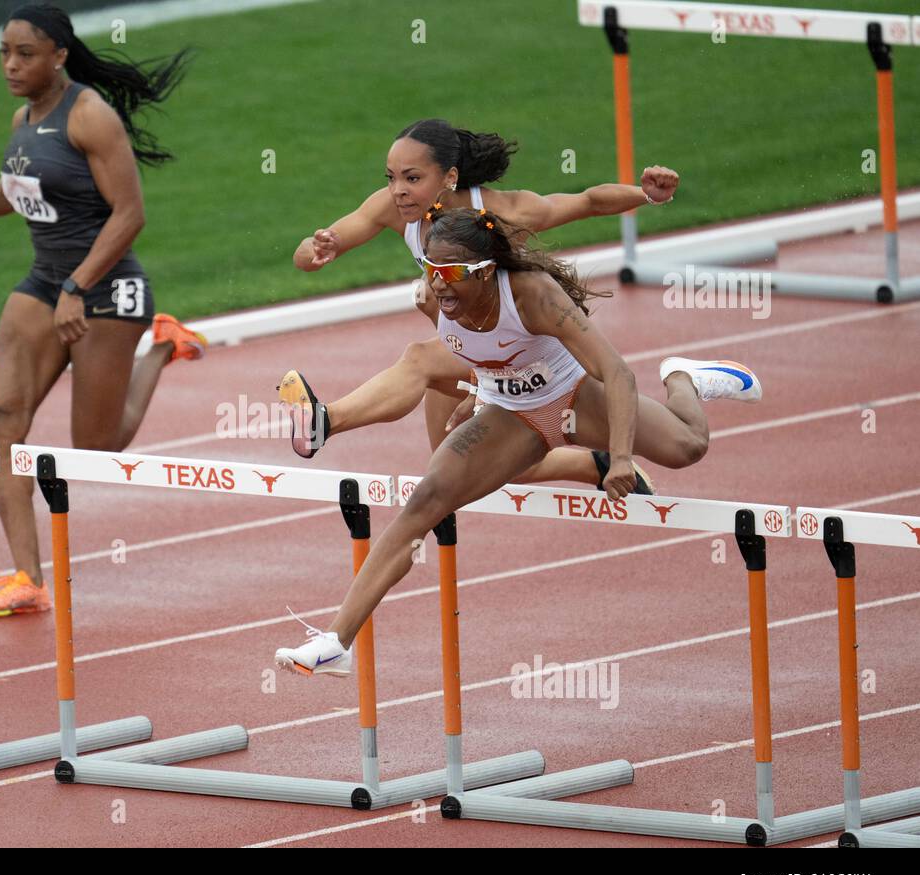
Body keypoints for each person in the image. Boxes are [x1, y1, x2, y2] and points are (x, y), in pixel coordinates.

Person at [274, 207, 761, 676]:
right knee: (426, 501)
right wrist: (478, 394)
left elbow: (617, 372)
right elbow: (479, 352)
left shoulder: (533, 295)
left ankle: (683, 378)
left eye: (451, 272)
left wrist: (621, 457)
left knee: (688, 447)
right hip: (513, 416)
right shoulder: (435, 298)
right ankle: (337, 642)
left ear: (486, 271)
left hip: (574, 396)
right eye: (430, 268)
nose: (438, 282)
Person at [0, 3, 203, 618]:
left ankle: (162, 345)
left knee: (95, 449)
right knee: (1, 420)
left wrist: (79, 287)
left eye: (24, 54)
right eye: (4, 53)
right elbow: (21, 184)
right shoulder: (24, 116)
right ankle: (27, 578)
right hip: (45, 282)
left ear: (58, 55)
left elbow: (130, 214)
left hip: (106, 288)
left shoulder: (90, 116)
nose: (10, 64)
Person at [280, 118, 679, 493]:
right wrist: (317, 249)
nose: (398, 190)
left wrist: (646, 194)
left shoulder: (501, 212)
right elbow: (309, 254)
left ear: (449, 177)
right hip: (468, 347)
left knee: (419, 358)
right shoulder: (393, 207)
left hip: (525, 353)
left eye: (412, 178)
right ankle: (592, 465)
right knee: (455, 469)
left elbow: (587, 201)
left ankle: (324, 421)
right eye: (391, 177)